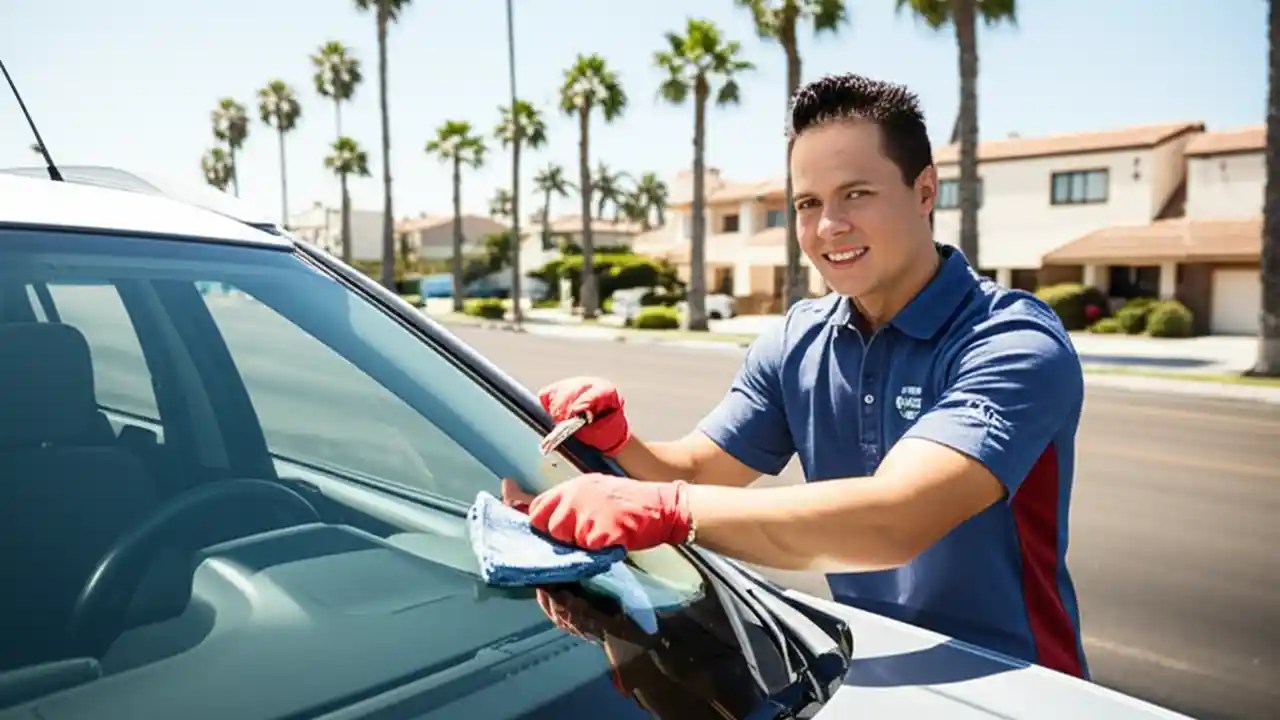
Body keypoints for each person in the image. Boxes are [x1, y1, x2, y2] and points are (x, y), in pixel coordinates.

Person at [504, 72, 1090, 680]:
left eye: (857, 194)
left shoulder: (1011, 341)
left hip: (1021, 688)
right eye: (808, 203)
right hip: (868, 676)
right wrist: (619, 443)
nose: (828, 226)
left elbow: (896, 519)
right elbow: (701, 473)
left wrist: (663, 505)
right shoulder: (797, 340)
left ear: (924, 192)